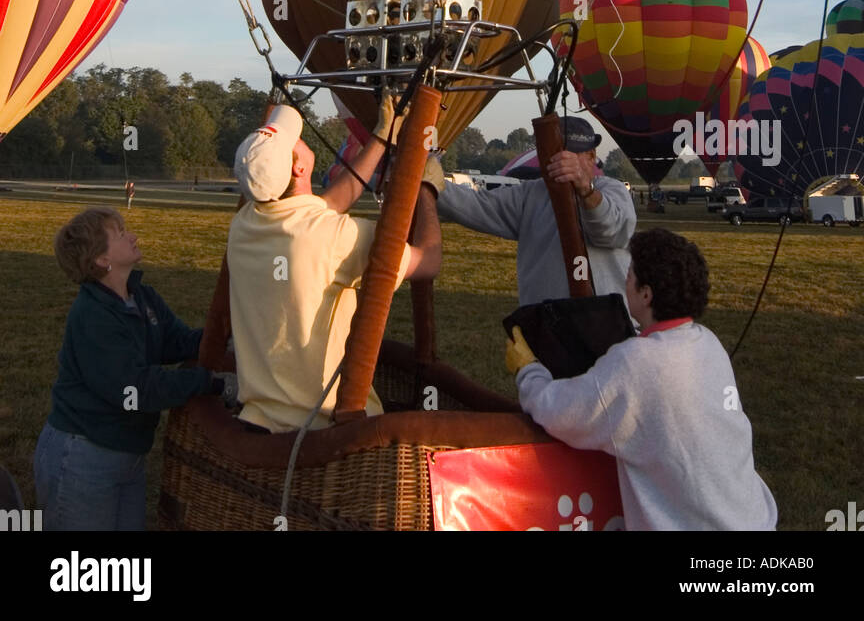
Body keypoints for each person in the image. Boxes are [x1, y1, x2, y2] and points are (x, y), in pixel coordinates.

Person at [506, 227, 777, 532]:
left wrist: (528, 369)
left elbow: (558, 412)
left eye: (630, 275)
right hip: (753, 519)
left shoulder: (635, 363)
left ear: (646, 294)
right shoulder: (708, 343)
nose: (626, 281)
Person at [227, 93, 442, 433]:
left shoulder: (244, 225)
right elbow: (428, 261)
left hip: (259, 422)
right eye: (295, 140)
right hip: (324, 429)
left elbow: (324, 206)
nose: (300, 138)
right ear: (299, 167)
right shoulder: (334, 237)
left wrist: (381, 138)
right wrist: (426, 188)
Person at [34, 207, 232, 531]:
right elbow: (135, 390)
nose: (133, 236)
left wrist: (229, 337)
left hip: (128, 456)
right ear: (100, 259)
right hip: (84, 457)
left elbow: (178, 341)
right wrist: (212, 382)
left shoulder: (141, 297)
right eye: (120, 233)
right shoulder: (93, 316)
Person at [436, 116, 635, 302]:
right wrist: (430, 180)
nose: (562, 160)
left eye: (571, 154)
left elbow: (611, 231)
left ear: (591, 156)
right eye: (554, 153)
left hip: (605, 324)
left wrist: (584, 189)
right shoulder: (530, 194)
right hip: (545, 324)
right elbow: (476, 205)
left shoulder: (612, 190)